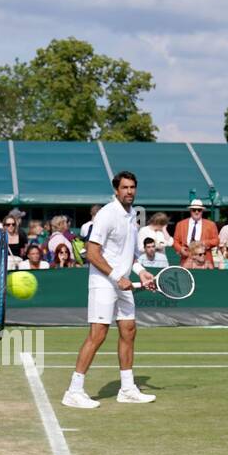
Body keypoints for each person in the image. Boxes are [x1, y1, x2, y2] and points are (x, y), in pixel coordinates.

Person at [63, 170, 156, 409]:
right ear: (116, 190)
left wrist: (142, 271)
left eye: (132, 187)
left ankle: (127, 388)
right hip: (104, 282)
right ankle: (74, 391)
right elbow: (91, 253)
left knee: (128, 330)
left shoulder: (132, 216)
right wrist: (116, 276)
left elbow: (131, 255)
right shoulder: (106, 214)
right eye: (124, 188)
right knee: (98, 334)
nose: (129, 192)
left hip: (122, 281)